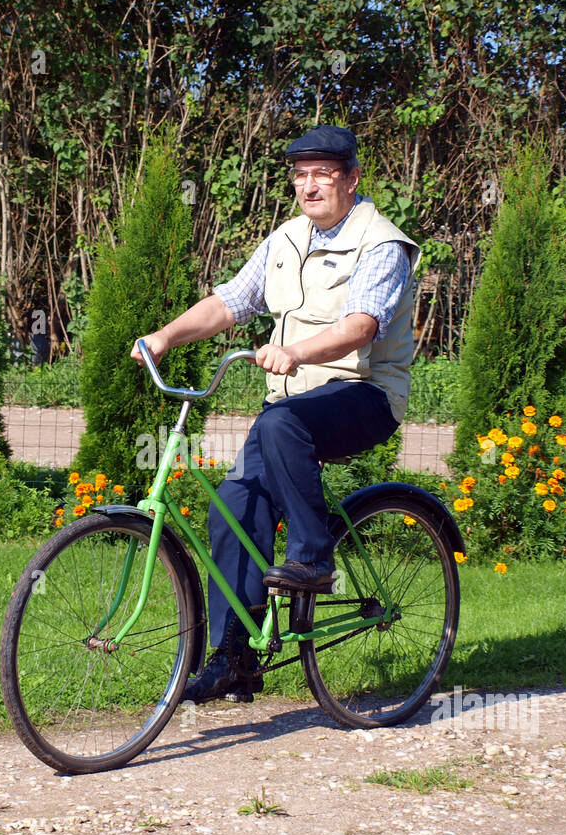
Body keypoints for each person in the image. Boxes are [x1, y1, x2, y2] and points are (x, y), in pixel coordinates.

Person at [130, 125, 421, 704]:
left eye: (323, 174)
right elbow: (231, 302)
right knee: (232, 509)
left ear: (352, 178)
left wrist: (295, 352)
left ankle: (312, 557)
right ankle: (235, 659)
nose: (309, 186)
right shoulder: (287, 238)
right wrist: (165, 337)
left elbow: (361, 326)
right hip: (292, 405)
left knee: (278, 422)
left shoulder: (382, 244)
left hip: (363, 394)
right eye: (301, 175)